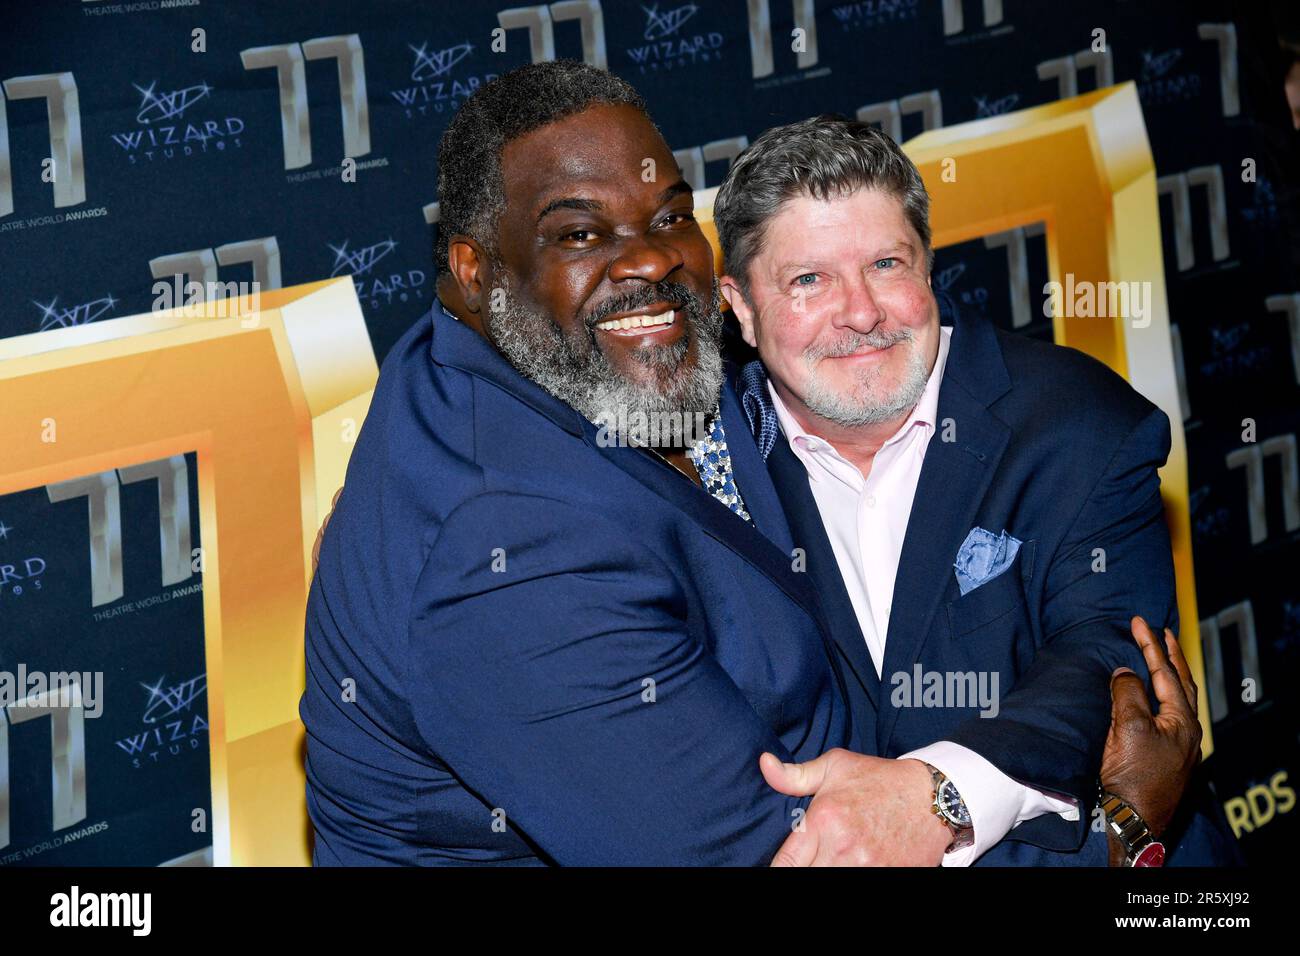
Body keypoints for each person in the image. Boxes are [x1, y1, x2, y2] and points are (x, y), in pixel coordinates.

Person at [302, 61, 1212, 866]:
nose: (649, 259)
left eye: (666, 217)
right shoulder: (510, 547)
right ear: (472, 271)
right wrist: (1122, 836)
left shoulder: (645, 388)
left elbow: (1112, 655)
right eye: (579, 234)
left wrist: (953, 788)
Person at [713, 114, 1235, 865]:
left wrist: (936, 793)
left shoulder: (1080, 423)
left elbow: (1107, 660)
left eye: (887, 265)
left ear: (927, 264)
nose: (861, 313)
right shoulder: (709, 463)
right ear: (742, 308)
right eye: (808, 280)